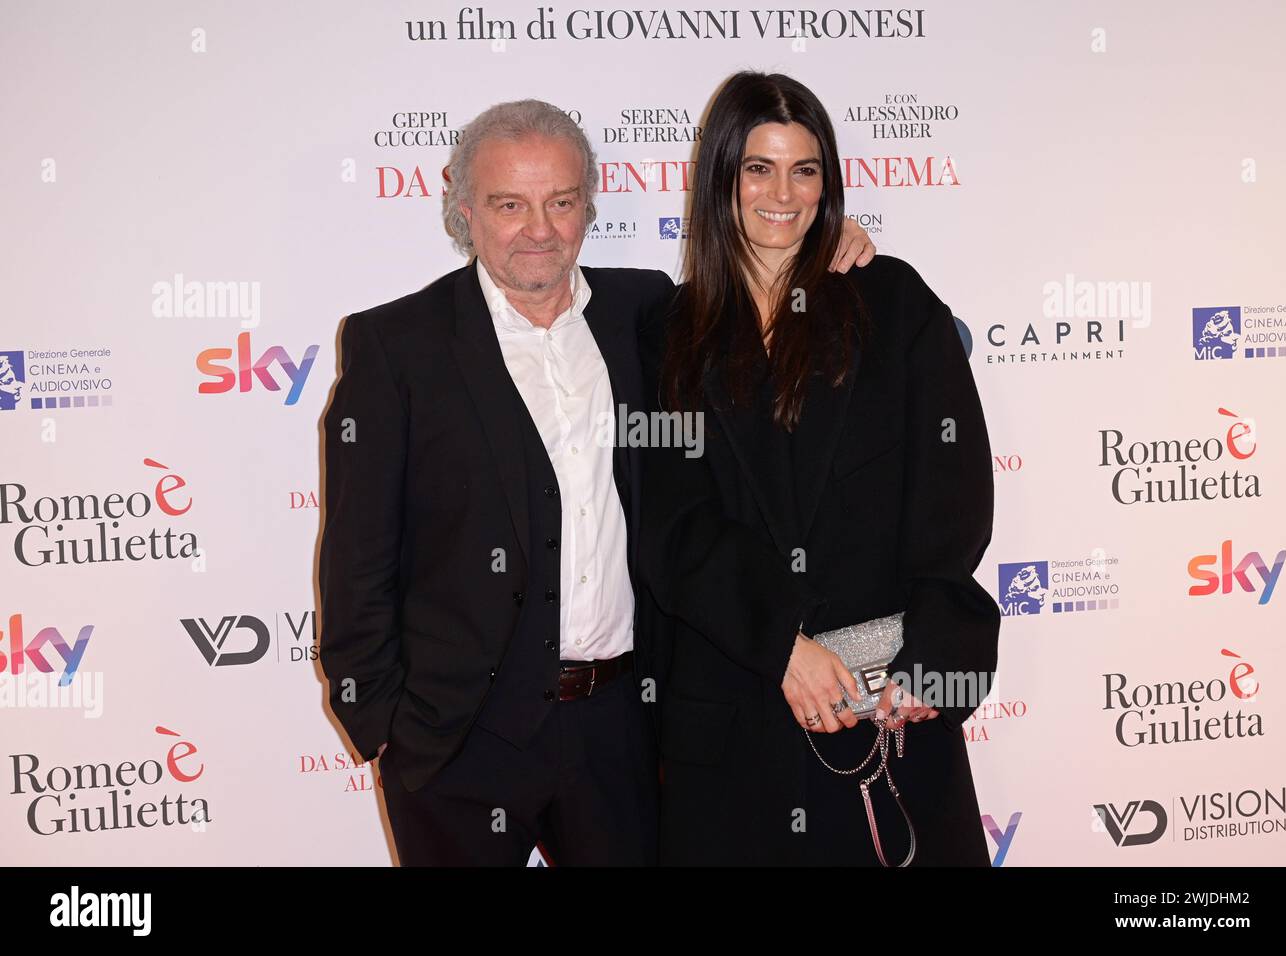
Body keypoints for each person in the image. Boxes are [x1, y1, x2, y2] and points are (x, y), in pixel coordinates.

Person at [317, 98, 876, 865]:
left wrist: (822, 242)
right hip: (458, 741)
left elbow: (759, 297)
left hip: (621, 727)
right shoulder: (396, 345)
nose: (539, 229)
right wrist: (386, 726)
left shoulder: (647, 311)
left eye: (561, 201)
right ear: (462, 204)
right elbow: (357, 559)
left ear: (589, 204)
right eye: (508, 204)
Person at [638, 71, 1000, 866]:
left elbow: (953, 494)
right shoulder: (669, 332)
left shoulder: (893, 302)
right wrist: (783, 648)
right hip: (739, 710)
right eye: (757, 169)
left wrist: (933, 664)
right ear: (720, 181)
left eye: (805, 169)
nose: (783, 193)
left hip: (887, 711)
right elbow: (672, 525)